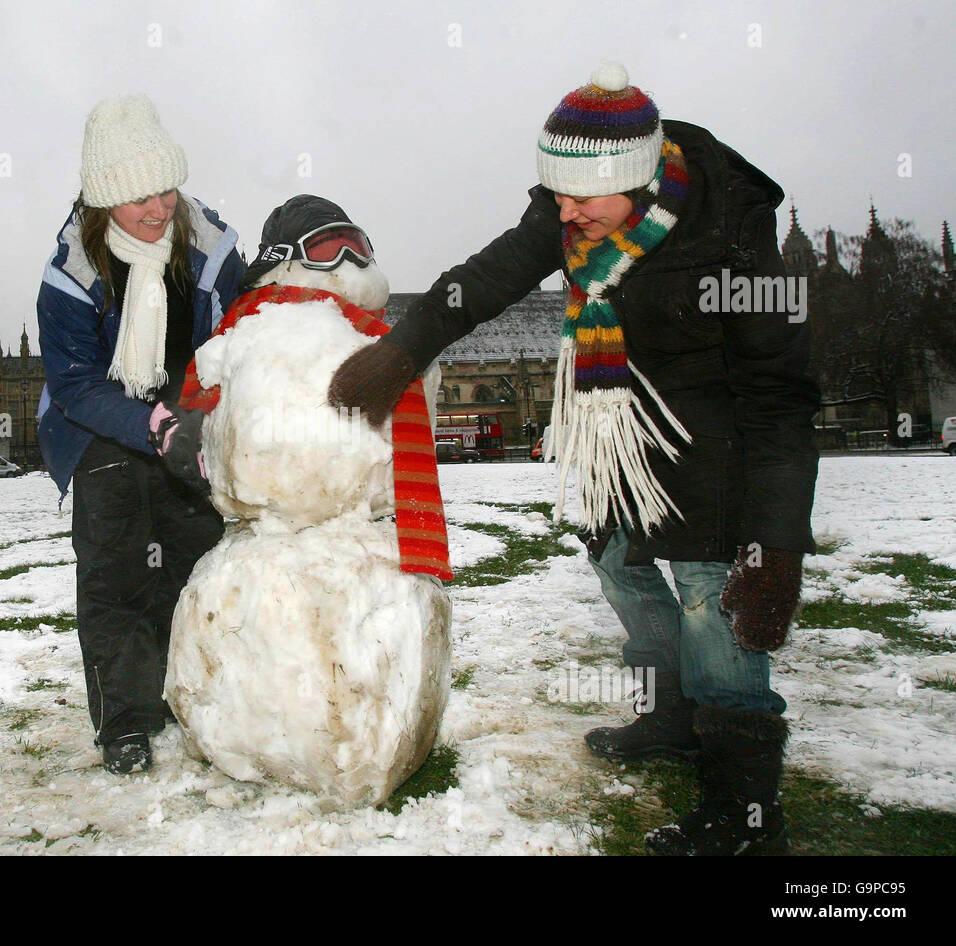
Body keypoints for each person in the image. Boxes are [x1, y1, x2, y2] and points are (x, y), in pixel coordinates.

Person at [328, 63, 818, 855]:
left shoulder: (734, 241)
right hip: (615, 433)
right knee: (621, 566)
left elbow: (782, 401)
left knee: (711, 607)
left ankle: (744, 814)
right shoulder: (569, 209)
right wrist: (403, 351)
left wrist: (779, 544)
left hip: (712, 448)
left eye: (582, 200)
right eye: (556, 196)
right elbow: (485, 279)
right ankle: (672, 717)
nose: (564, 213)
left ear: (639, 179)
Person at [36, 94, 244, 775]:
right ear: (102, 204)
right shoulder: (71, 274)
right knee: (117, 573)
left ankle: (193, 698)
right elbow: (73, 384)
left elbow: (244, 332)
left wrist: (203, 419)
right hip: (101, 425)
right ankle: (125, 720)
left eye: (165, 189)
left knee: (191, 564)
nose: (158, 209)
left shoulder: (210, 248)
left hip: (188, 418)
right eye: (137, 200)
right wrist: (148, 424)